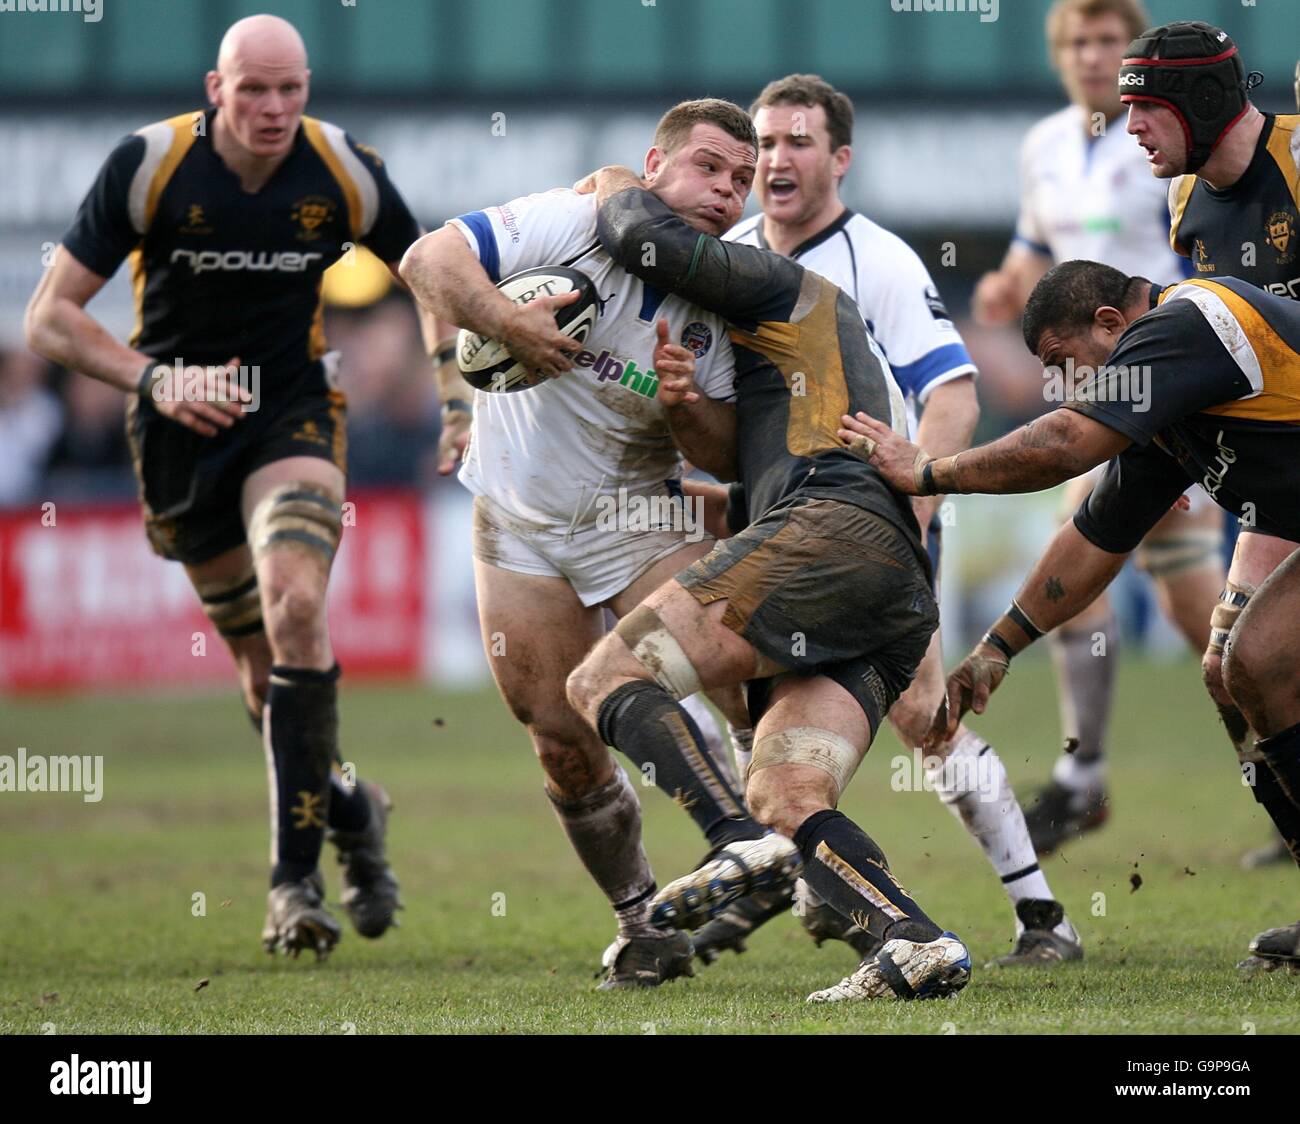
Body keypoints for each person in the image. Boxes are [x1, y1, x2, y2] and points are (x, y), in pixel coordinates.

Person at [23, 14, 442, 959]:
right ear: (216, 88)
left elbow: (433, 273)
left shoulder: (342, 169)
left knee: (297, 603)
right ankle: (349, 805)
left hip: (291, 413)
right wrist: (155, 379)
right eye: (254, 89)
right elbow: (50, 319)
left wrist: (458, 383)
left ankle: (292, 888)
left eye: (291, 89)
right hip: (175, 435)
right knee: (263, 683)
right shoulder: (149, 165)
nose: (275, 108)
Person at [689, 73, 1080, 969]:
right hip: (766, 528)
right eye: (768, 143)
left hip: (869, 529)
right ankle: (806, 875)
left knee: (922, 715)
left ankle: (1043, 917)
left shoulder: (880, 261)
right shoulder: (733, 254)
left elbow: (950, 394)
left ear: (840, 158)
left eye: (798, 142)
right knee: (742, 700)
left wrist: (916, 511)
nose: (778, 160)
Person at [564, 163, 974, 1005]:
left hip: (830, 536)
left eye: (734, 175)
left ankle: (731, 842)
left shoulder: (784, 281)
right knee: (787, 789)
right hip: (889, 583)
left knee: (603, 677)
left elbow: (641, 238)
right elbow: (747, 482)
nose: (730, 189)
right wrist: (682, 425)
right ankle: (914, 940)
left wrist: (612, 186)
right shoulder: (781, 372)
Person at [399, 99, 770, 989]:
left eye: (740, 182)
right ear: (655, 165)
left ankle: (788, 851)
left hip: (638, 510)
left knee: (739, 671)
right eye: (709, 168)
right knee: (562, 740)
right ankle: (645, 926)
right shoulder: (573, 219)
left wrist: (688, 407)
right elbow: (426, 263)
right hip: (516, 521)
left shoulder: (727, 285)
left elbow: (719, 455)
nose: (724, 192)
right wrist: (503, 322)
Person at [840, 259, 1300, 970]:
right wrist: (997, 648)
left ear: (1112, 325)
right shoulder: (1168, 406)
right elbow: (1095, 537)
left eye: (1065, 363)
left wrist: (928, 471)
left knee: (1258, 657)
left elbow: (1062, 445)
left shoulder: (1186, 323)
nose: (1069, 385)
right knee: (1234, 667)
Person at [975, 0, 1223, 856]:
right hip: (1096, 379)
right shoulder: (1045, 145)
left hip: (1171, 377)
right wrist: (1008, 287)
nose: (1092, 55)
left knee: (1077, 546)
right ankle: (1273, 773)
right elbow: (1034, 246)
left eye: (1108, 41)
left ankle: (1084, 777)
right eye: (1078, 41)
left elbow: (1205, 250)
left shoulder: (1162, 142)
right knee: (1207, 608)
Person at [1122, 19, 1300, 869]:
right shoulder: (1186, 205)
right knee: (1226, 668)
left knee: (1265, 656)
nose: (1130, 128)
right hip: (1284, 474)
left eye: (1145, 107)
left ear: (1199, 100)